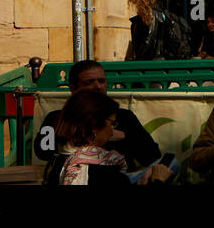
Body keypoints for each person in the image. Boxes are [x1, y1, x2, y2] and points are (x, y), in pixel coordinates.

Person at [35, 60, 164, 174]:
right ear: (74, 89)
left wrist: (125, 137)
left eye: (101, 81)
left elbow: (152, 155)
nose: (98, 86)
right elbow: (43, 152)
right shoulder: (57, 118)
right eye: (89, 82)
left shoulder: (124, 117)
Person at [45, 91, 173, 186]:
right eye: (111, 124)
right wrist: (158, 181)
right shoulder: (105, 172)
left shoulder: (59, 159)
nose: (112, 131)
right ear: (94, 126)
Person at [124, 0, 189, 60]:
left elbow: (147, 44)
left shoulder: (150, 16)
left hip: (152, 65)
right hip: (154, 63)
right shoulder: (150, 15)